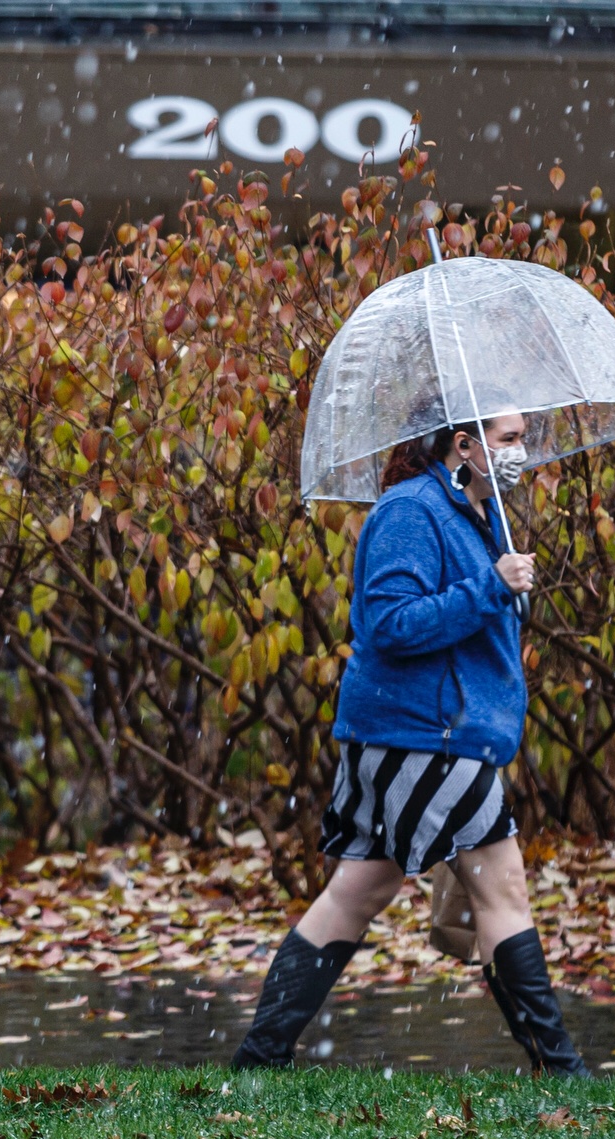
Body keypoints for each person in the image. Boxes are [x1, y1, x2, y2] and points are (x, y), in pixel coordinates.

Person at [233, 411, 589, 1075]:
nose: (521, 452)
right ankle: (559, 1068)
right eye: (508, 440)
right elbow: (393, 625)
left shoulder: (478, 519)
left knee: (357, 892)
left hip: (419, 737)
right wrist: (492, 584)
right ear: (463, 446)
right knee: (501, 889)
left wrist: (500, 580)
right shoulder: (410, 512)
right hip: (424, 738)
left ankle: (259, 1058)